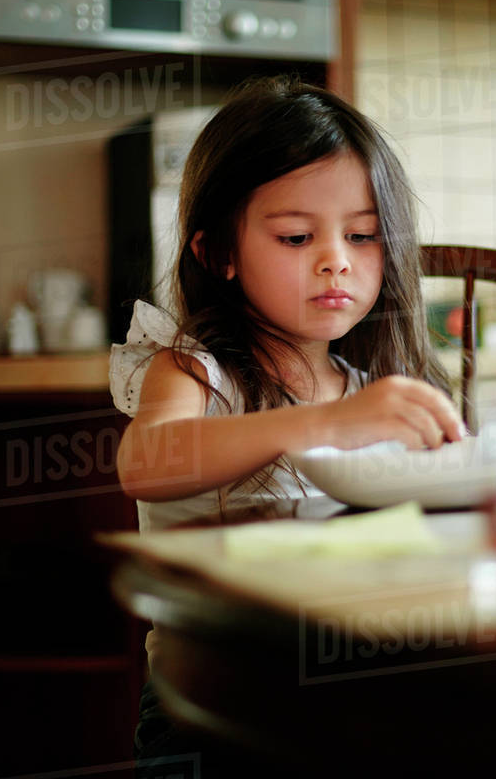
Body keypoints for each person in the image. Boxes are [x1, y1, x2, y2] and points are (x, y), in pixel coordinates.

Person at [108, 75, 465, 776]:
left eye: (362, 236)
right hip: (217, 705)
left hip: (349, 691)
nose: (336, 258)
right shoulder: (191, 371)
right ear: (219, 254)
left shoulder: (368, 393)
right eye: (298, 236)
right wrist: (327, 422)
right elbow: (146, 461)